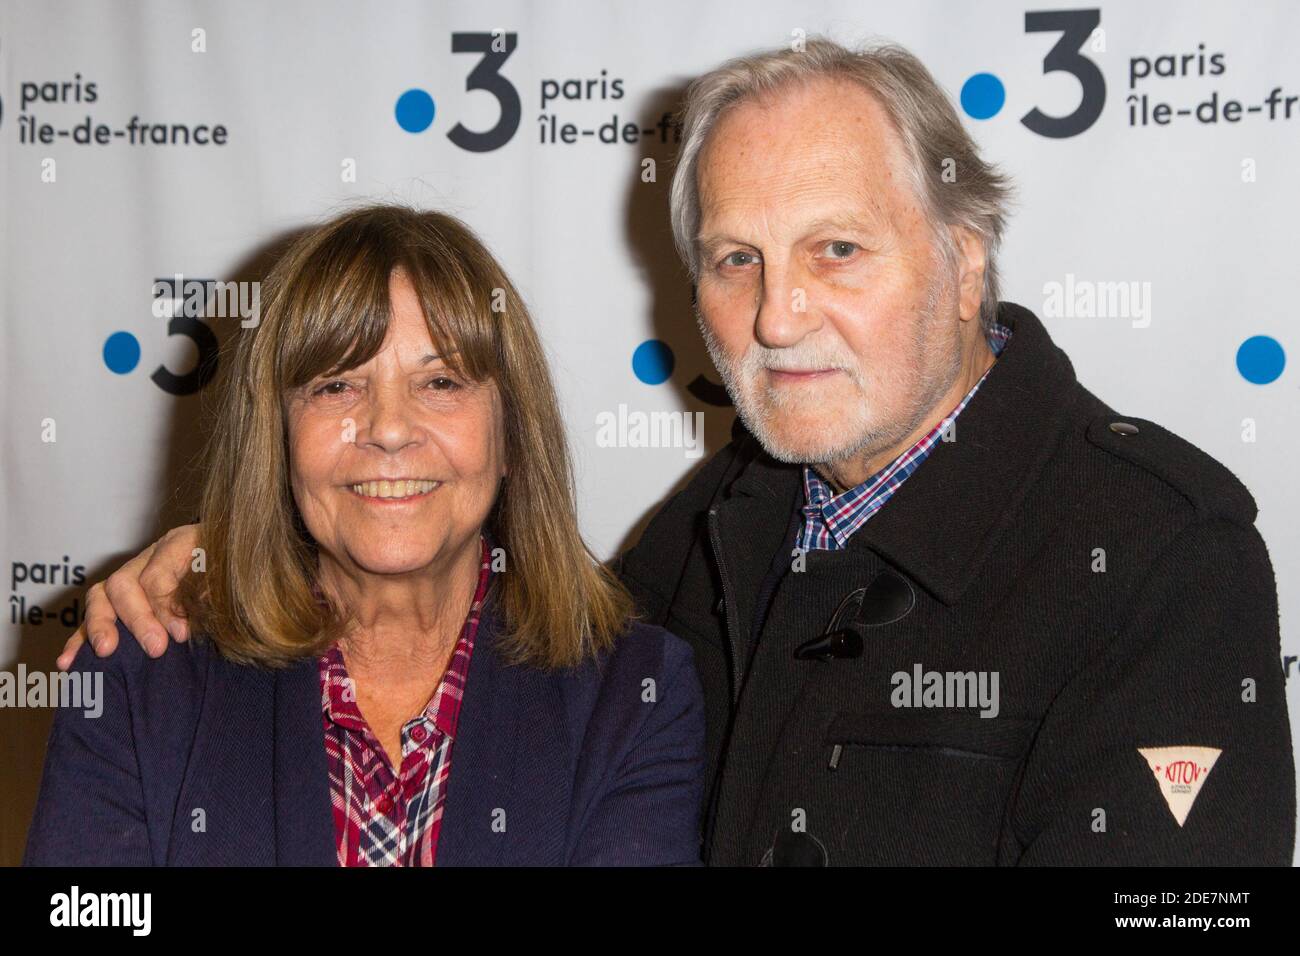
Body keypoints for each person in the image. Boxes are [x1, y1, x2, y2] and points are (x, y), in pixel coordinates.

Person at [59, 39, 1295, 865]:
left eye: (838, 250)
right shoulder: (732, 517)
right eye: (735, 257)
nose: (777, 314)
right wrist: (224, 551)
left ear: (966, 260)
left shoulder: (1152, 555)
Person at [26, 204, 705, 866]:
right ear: (279, 439)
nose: (386, 428)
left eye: (440, 381)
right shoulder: (142, 677)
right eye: (335, 387)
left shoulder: (634, 695)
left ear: (511, 439)